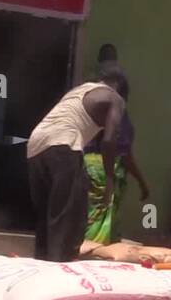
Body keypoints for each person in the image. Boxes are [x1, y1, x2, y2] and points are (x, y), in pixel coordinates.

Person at [26, 71, 126, 261]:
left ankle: (41, 267)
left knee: (47, 219)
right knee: (70, 217)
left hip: (35, 145)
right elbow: (109, 140)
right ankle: (60, 272)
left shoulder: (79, 91)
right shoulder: (115, 98)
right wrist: (110, 179)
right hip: (64, 142)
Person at [81, 63, 150, 244]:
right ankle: (91, 260)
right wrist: (142, 183)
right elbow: (121, 151)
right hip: (104, 169)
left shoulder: (87, 101)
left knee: (87, 219)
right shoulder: (117, 108)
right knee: (99, 226)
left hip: (83, 165)